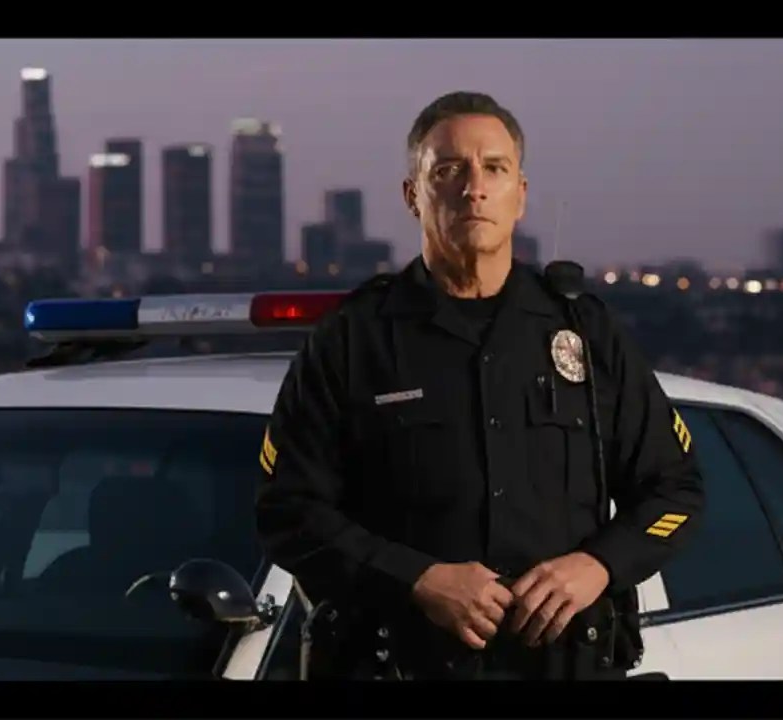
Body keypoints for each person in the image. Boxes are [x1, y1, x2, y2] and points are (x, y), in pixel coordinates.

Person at [254, 90, 705, 680]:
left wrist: (597, 565)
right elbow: (287, 509)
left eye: (494, 168)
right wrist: (415, 579)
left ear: (521, 193)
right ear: (413, 195)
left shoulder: (584, 331)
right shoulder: (352, 342)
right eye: (447, 170)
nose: (474, 187)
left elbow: (675, 487)